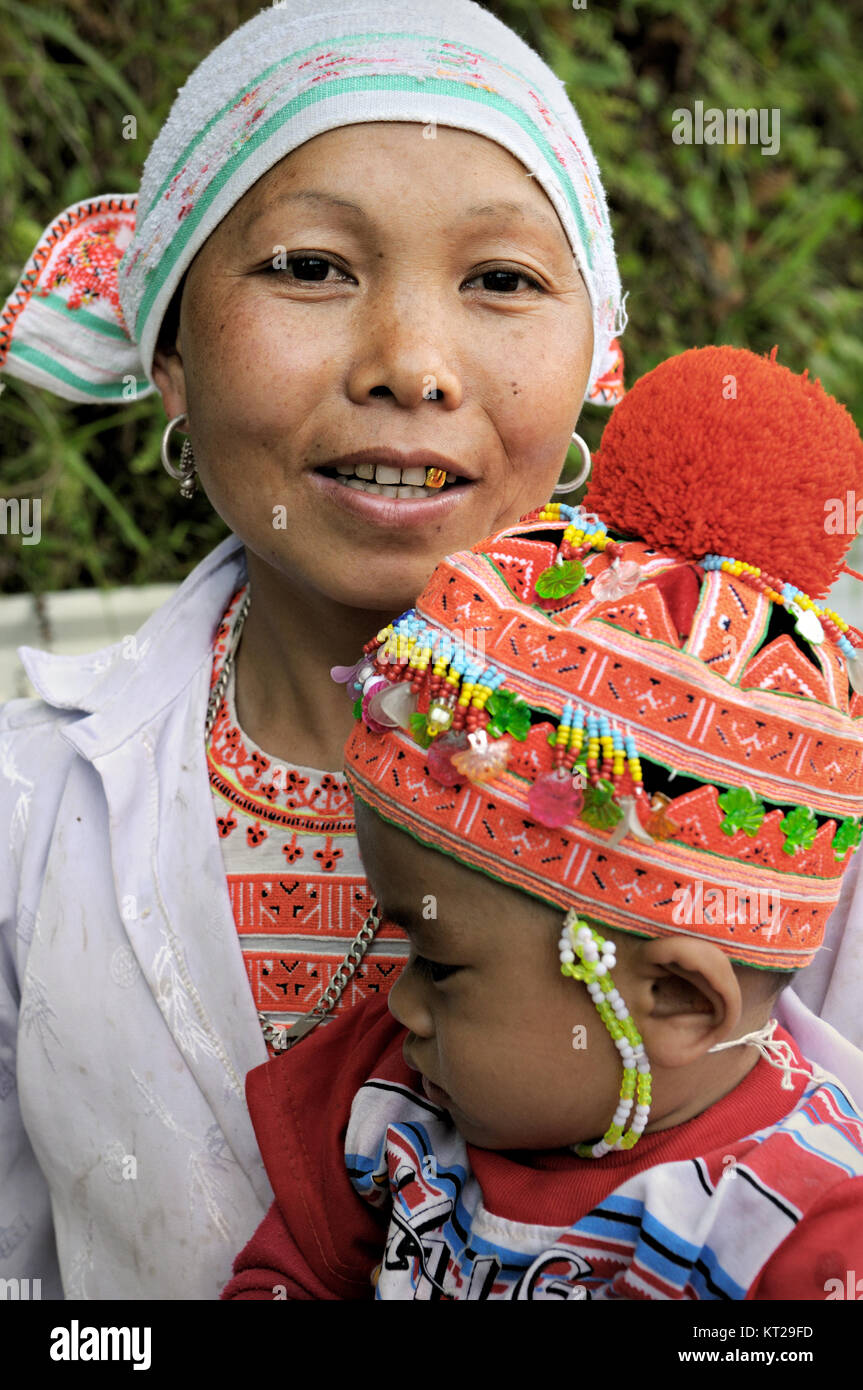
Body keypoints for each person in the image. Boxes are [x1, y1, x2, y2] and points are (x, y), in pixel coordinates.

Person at [0, 0, 629, 1300]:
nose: (410, 364)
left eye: (501, 279)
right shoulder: (25, 810)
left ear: (591, 353)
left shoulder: (761, 798)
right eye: (308, 266)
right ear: (169, 349)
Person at [222, 345, 863, 1300]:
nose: (398, 1009)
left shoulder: (787, 1228)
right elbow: (292, 1270)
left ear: (679, 1000)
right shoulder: (399, 1109)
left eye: (440, 967)